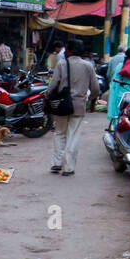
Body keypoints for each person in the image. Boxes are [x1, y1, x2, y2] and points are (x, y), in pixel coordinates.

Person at [47, 39, 100, 176]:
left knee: (59, 133)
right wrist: (92, 101)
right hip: (79, 105)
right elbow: (95, 88)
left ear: (70, 50)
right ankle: (68, 167)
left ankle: (56, 163)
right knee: (73, 135)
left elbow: (53, 85)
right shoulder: (88, 66)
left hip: (61, 104)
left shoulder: (62, 64)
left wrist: (47, 97)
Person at [106, 46, 130, 120]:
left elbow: (113, 78)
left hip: (119, 94)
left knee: (118, 114)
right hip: (129, 95)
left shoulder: (120, 65)